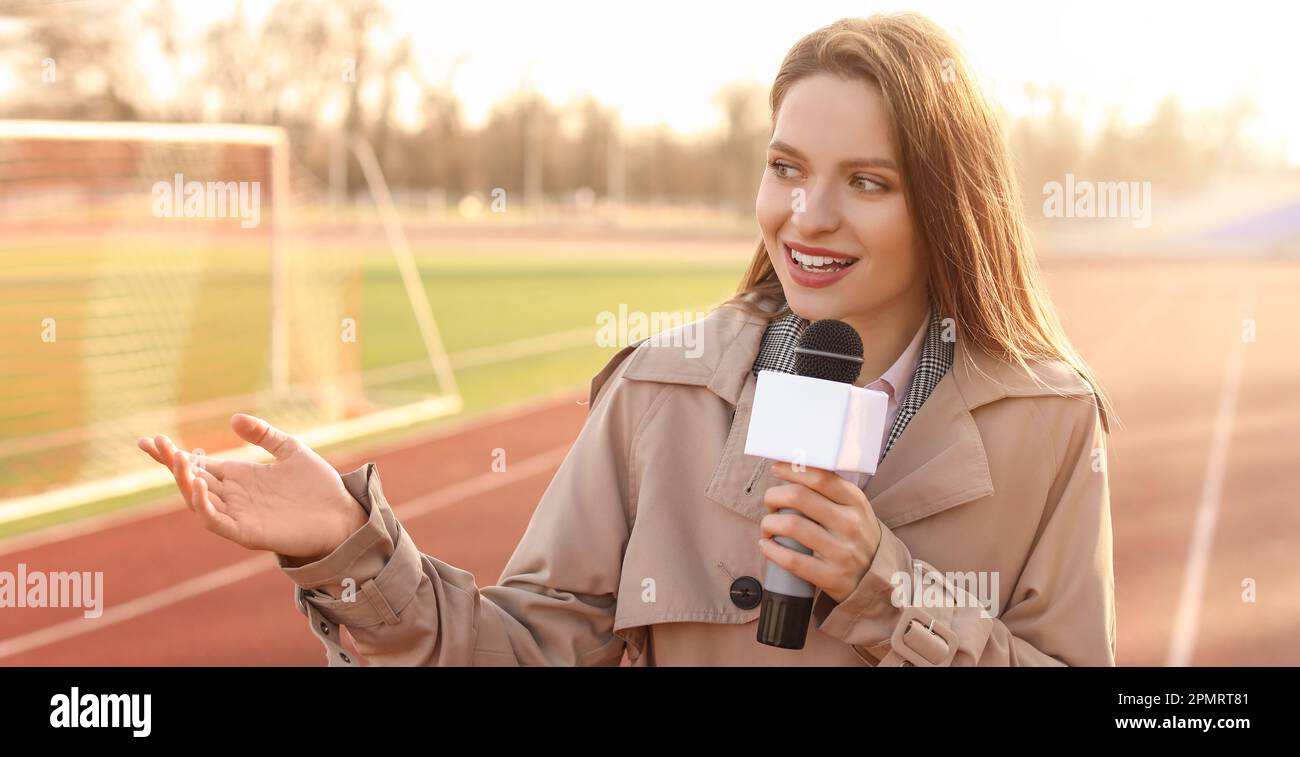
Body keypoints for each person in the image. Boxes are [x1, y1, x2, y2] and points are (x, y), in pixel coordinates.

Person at [138, 13, 1116, 666]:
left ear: (944, 202)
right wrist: (347, 546)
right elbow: (528, 650)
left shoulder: (1047, 421)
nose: (805, 215)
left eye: (867, 181)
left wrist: (884, 590)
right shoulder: (663, 390)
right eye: (785, 168)